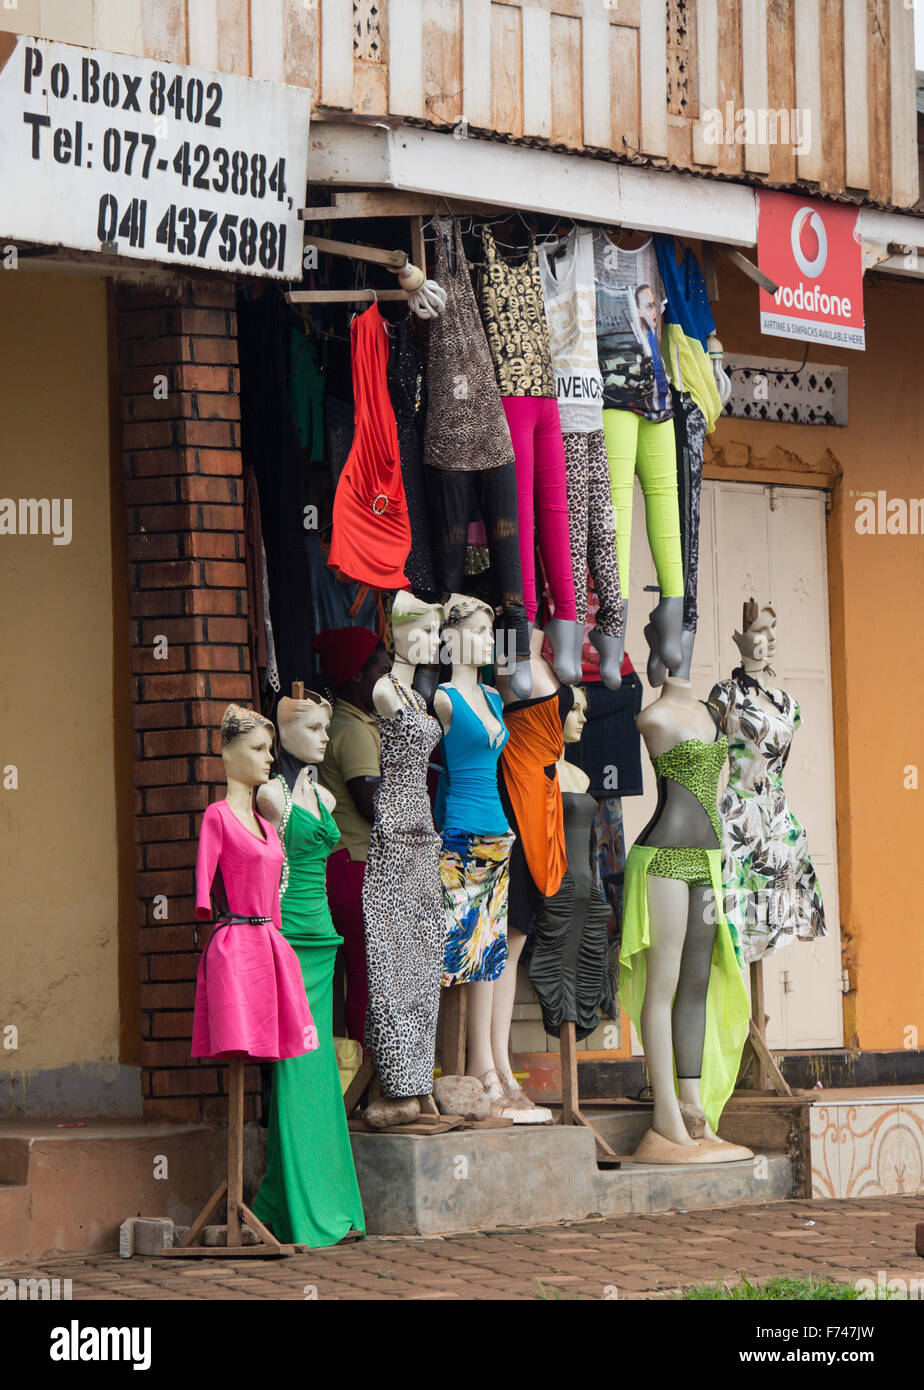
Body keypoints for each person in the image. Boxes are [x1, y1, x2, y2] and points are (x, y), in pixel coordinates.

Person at [313, 627, 391, 1045]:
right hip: (355, 865)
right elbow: (371, 804)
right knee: (366, 976)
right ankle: (362, 1078)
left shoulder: (354, 722)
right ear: (359, 676)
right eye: (381, 667)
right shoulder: (355, 729)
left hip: (349, 863)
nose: (389, 673)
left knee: (359, 975)